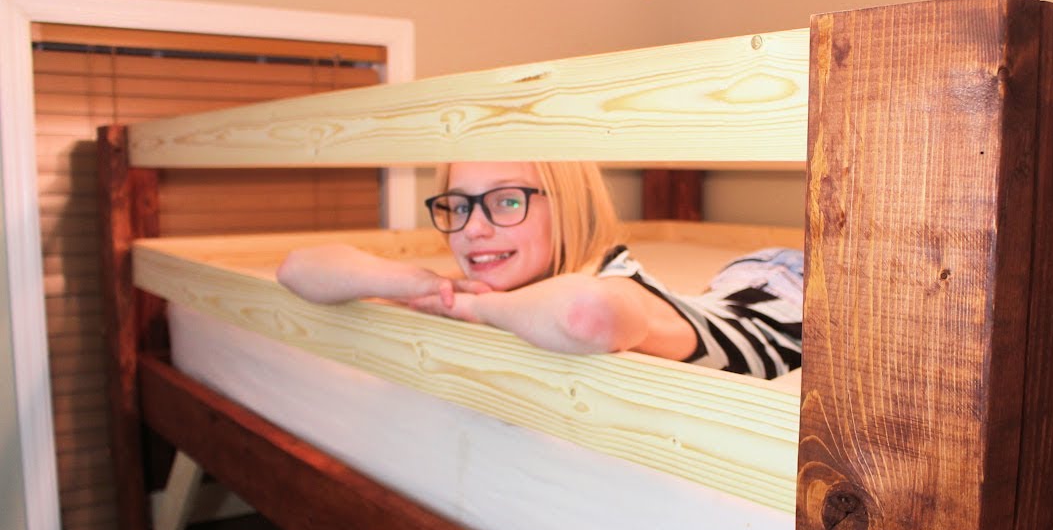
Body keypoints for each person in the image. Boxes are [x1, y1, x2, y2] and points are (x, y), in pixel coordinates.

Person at [276, 161, 802, 378]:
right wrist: (416, 282)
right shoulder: (510, 285)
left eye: (506, 203)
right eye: (458, 206)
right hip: (728, 290)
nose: (472, 230)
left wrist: (474, 306)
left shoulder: (618, 284)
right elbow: (299, 268)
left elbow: (584, 312)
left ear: (568, 205)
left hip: (788, 289)